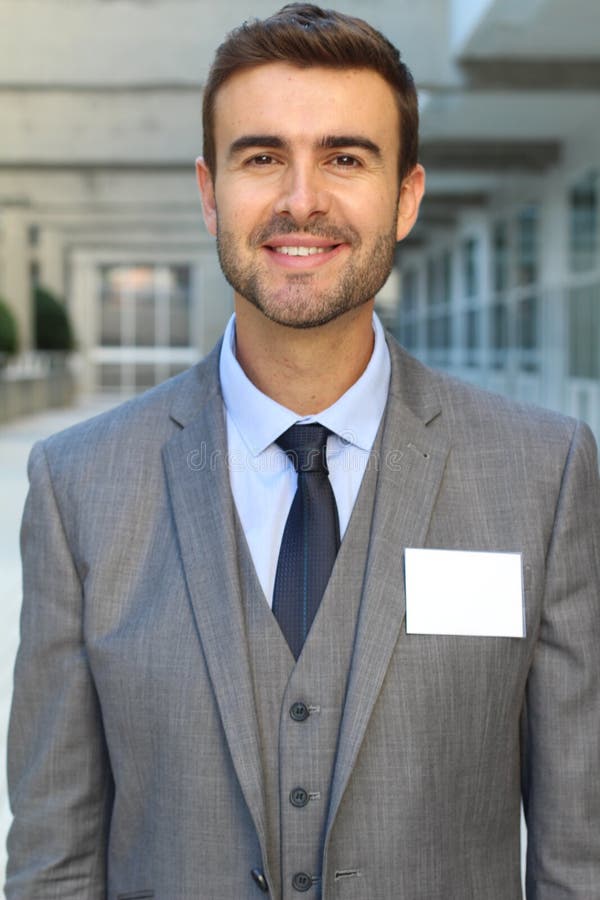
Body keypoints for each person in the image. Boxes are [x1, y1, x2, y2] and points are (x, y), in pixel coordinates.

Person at [6, 4, 600, 898]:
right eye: (261, 157)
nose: (300, 200)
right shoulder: (78, 484)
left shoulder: (542, 475)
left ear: (406, 197)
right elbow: (54, 856)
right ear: (210, 192)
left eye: (345, 158)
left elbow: (580, 854)